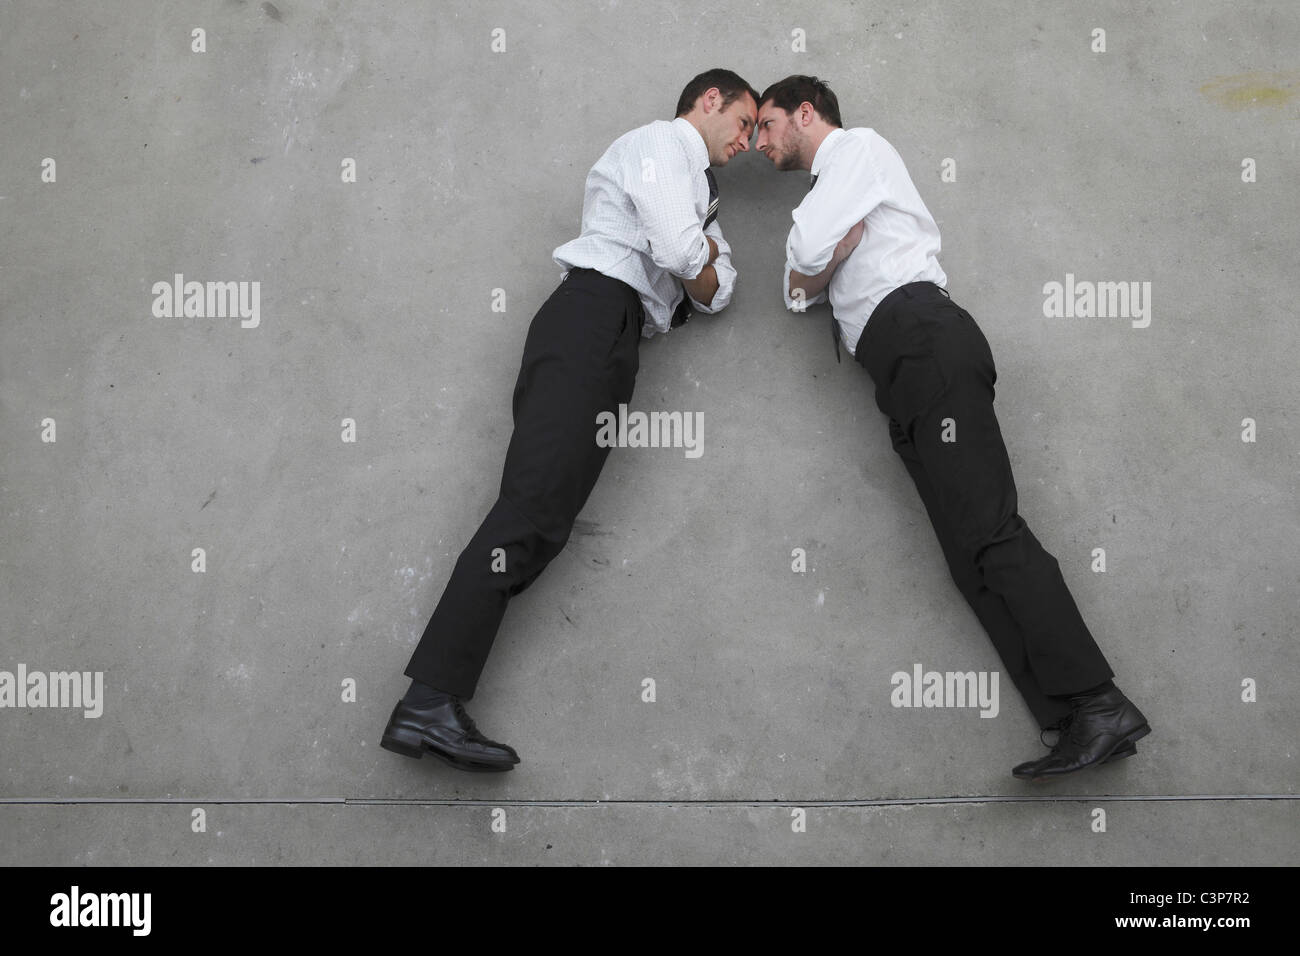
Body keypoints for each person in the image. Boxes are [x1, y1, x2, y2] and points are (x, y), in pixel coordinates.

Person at [754, 75, 1150, 781]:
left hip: (922, 341)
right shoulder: (829, 194)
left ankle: (1099, 702)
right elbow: (792, 293)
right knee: (968, 559)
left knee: (992, 534)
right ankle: (1068, 717)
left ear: (805, 113)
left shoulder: (857, 150)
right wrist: (820, 260)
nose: (758, 143)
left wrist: (823, 259)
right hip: (898, 368)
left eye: (767, 125)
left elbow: (808, 257)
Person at [381, 69, 759, 772]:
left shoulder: (699, 191)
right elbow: (687, 260)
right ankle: (428, 700)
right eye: (743, 124)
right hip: (588, 318)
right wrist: (692, 256)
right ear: (710, 101)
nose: (746, 143)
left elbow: (718, 295)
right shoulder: (658, 144)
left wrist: (694, 254)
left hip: (615, 342)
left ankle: (431, 702)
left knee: (544, 520)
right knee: (529, 511)